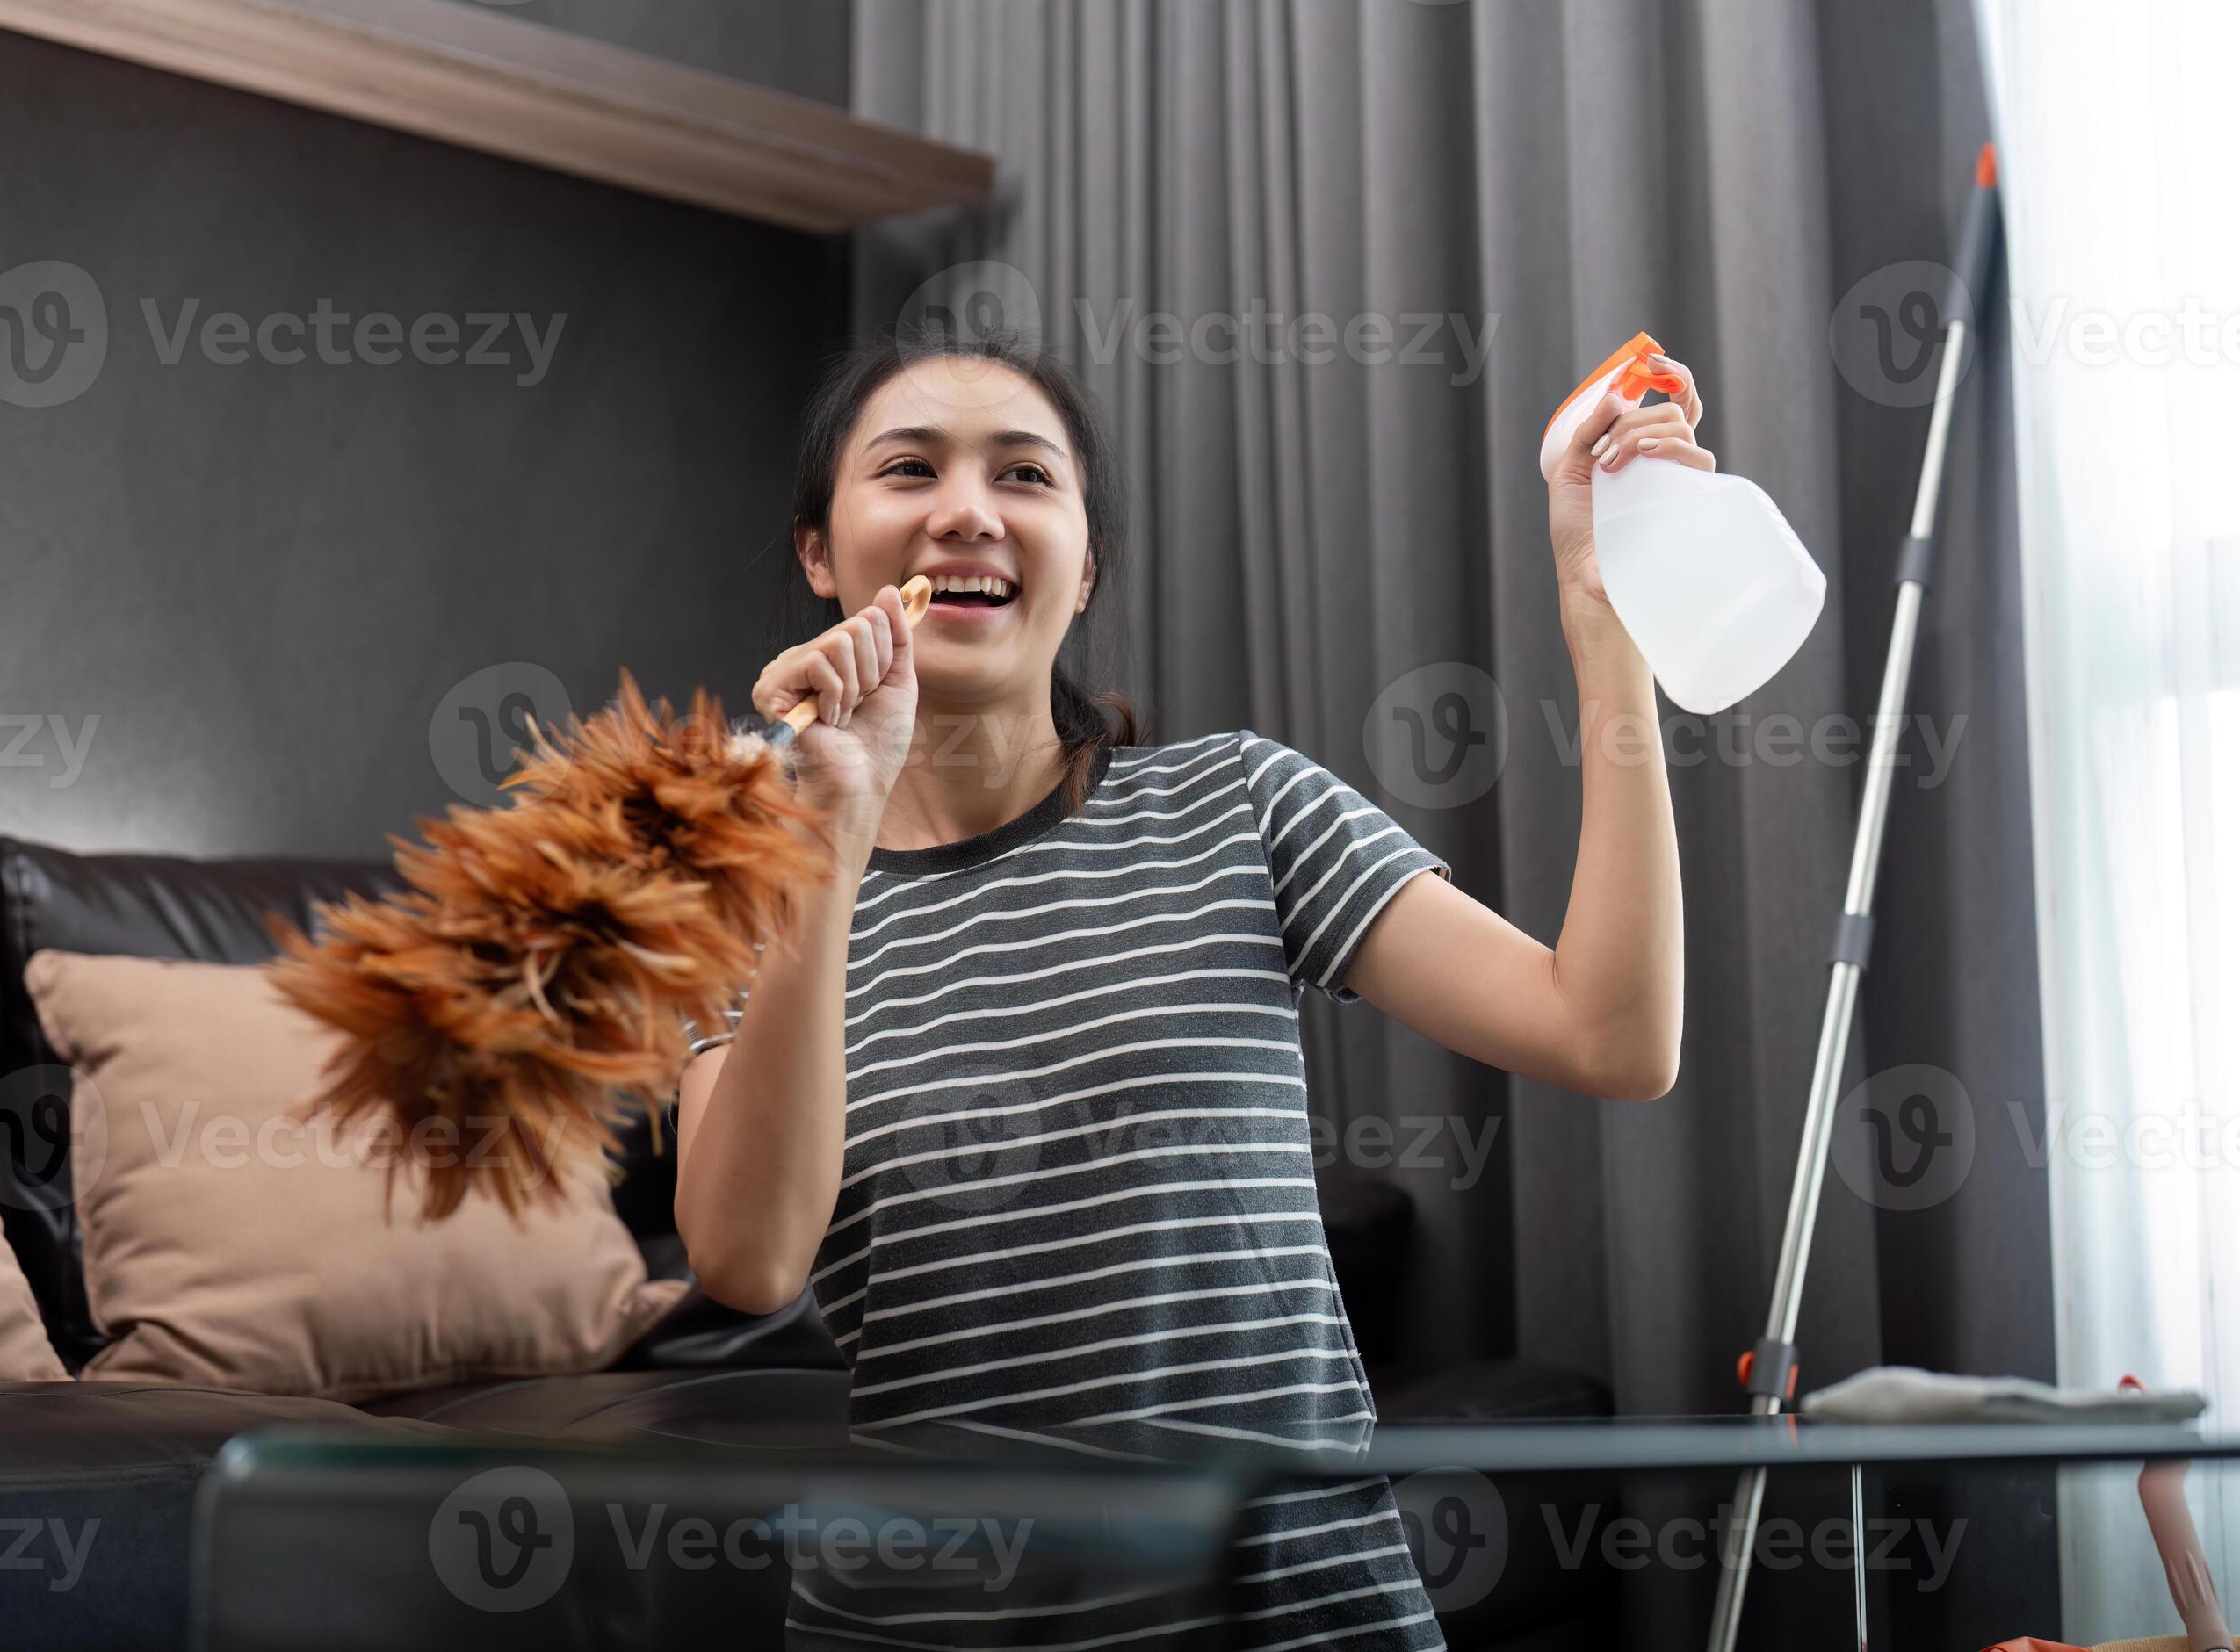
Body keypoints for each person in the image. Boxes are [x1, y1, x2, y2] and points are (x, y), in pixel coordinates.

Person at [674, 328, 1702, 1648]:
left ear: (1085, 565)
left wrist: (1601, 617)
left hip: (1290, 1619)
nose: (970, 513)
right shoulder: (741, 884)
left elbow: (1613, 1035)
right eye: (911, 470)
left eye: (1028, 477)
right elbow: (750, 1264)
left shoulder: (1240, 806)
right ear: (822, 552)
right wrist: (825, 833)